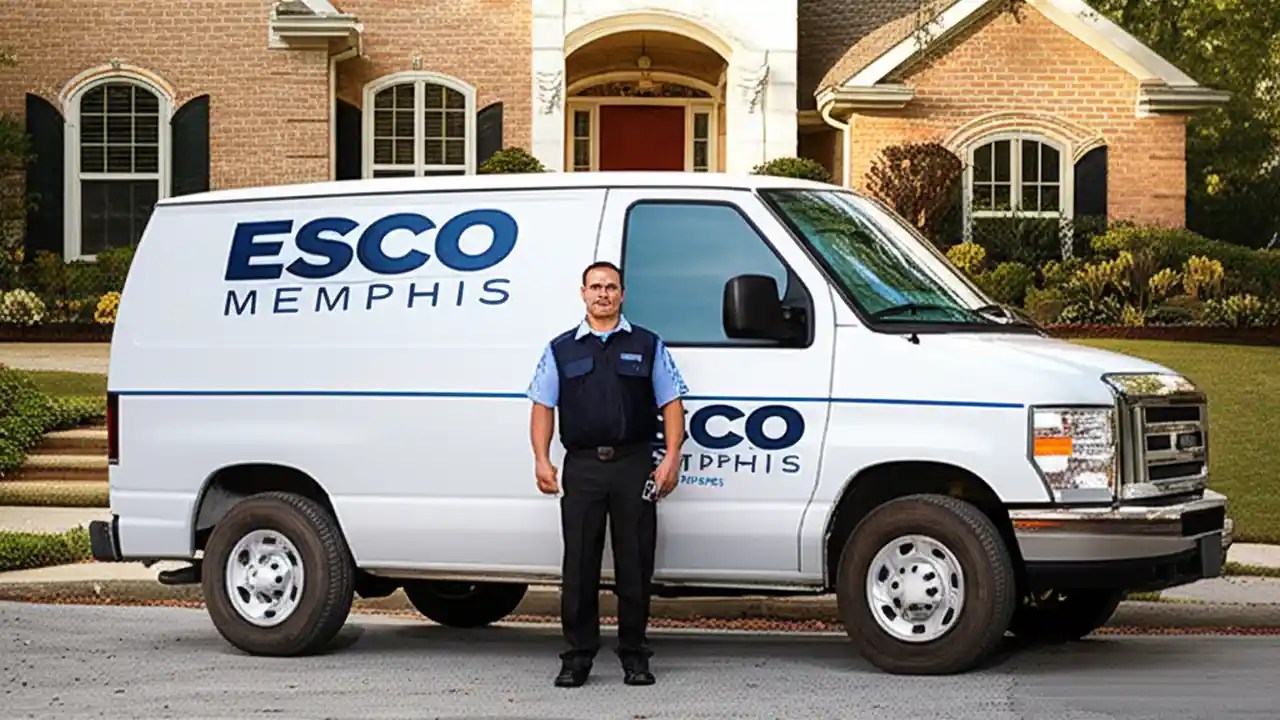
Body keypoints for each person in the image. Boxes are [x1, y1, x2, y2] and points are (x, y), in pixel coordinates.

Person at [526, 260, 688, 688]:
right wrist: (541, 458)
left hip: (634, 464)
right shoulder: (561, 349)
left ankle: (634, 655)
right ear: (583, 293)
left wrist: (671, 456)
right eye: (595, 287)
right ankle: (577, 658)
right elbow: (542, 406)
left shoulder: (648, 345)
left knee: (635, 563)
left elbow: (672, 403)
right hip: (582, 468)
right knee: (579, 565)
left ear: (622, 294)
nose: (603, 294)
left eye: (611, 287)